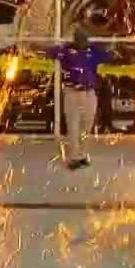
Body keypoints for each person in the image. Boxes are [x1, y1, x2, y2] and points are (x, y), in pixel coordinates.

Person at [46, 29, 112, 170]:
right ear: (75, 39)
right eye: (80, 39)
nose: (83, 42)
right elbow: (50, 51)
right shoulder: (66, 51)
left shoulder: (93, 51)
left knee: (87, 125)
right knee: (73, 125)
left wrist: (111, 46)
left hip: (89, 93)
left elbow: (109, 56)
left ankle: (82, 155)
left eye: (84, 39)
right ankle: (74, 157)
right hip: (72, 92)